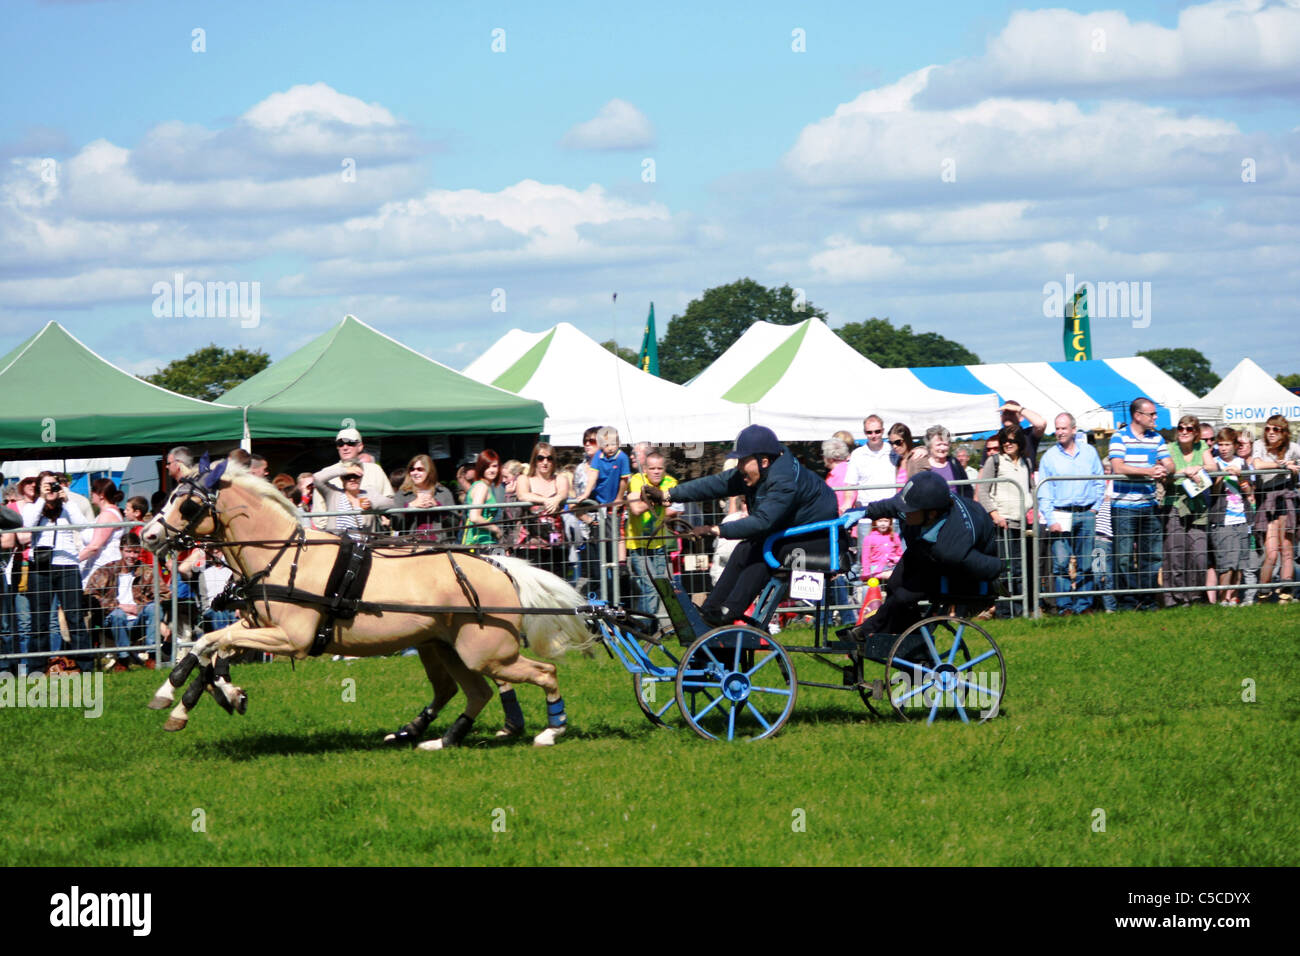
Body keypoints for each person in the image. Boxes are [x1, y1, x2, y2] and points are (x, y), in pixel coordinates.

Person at [641, 425, 838, 627]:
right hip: (796, 534)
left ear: (764, 461)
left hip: (820, 539)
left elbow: (763, 522)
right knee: (747, 548)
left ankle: (727, 613)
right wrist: (669, 495)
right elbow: (715, 484)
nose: (739, 466)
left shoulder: (784, 480)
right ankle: (710, 612)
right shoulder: (760, 470)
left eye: (743, 461)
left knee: (764, 550)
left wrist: (715, 530)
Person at [848, 471, 1001, 641]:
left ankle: (868, 631)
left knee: (903, 597)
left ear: (932, 514)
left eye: (909, 511)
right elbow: (892, 506)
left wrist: (997, 573)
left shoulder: (951, 549)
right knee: (893, 585)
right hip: (925, 550)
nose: (904, 513)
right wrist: (864, 512)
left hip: (956, 571)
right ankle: (913, 641)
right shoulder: (922, 506)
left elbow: (988, 565)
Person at [19, 472, 94, 674]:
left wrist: (67, 500)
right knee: (40, 620)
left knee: (75, 618)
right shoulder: (33, 508)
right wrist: (42, 499)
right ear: (38, 488)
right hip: (40, 568)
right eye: (46, 485)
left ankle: (86, 668)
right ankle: (36, 668)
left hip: (67, 565)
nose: (51, 488)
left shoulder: (67, 508)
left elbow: (84, 527)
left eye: (54, 484)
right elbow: (28, 525)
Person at [1108, 398, 1174, 611]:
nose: (1155, 418)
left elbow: (1169, 463)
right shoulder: (1119, 437)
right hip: (1124, 506)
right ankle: (1127, 602)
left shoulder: (1157, 438)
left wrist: (1166, 470)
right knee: (1124, 558)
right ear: (1137, 416)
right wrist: (1149, 471)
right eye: (1151, 414)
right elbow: (1118, 467)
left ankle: (1147, 601)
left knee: (1151, 556)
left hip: (1149, 504)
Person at [1036, 413, 1105, 616]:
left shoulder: (1090, 453)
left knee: (1085, 563)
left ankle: (1084, 605)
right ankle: (1064, 607)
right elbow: (1044, 491)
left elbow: (1099, 481)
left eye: (1063, 428)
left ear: (1074, 430)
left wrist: (1095, 508)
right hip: (1061, 514)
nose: (1059, 432)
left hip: (1086, 513)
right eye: (1057, 428)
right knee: (1060, 564)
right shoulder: (1049, 457)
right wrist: (1050, 518)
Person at [976, 426, 1034, 617]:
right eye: (1005, 441)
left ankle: (1019, 609)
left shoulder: (1026, 462)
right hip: (1001, 523)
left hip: (1021, 523)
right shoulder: (995, 461)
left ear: (1020, 442)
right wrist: (995, 515)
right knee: (1003, 570)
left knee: (1019, 569)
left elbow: (1031, 489)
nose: (1008, 444)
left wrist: (1032, 509)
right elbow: (983, 491)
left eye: (1012, 440)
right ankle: (1004, 610)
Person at [85, 531, 163, 670]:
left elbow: (164, 594)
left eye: (135, 552)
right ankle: (124, 658)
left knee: (154, 608)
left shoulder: (146, 571)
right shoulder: (106, 571)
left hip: (138, 622)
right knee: (117, 614)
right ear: (121, 550)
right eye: (128, 551)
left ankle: (152, 655)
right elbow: (90, 595)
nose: (132, 556)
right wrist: (119, 606)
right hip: (113, 621)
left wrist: (140, 608)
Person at [1162, 414, 1217, 607]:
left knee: (1199, 554)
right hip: (1175, 505)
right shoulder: (1169, 449)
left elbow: (1213, 466)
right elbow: (1164, 471)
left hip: (1197, 506)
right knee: (1176, 554)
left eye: (1189, 429)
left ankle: (1195, 596)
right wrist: (1181, 472)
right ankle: (1176, 598)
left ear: (1196, 433)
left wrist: (1197, 467)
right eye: (1181, 428)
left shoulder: (1201, 447)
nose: (1184, 432)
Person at [624, 449, 681, 617]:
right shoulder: (636, 480)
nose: (656, 472)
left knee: (658, 586)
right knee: (649, 586)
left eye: (660, 468)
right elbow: (635, 508)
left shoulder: (671, 482)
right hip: (638, 544)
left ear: (664, 469)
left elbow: (675, 507)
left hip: (659, 544)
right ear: (645, 469)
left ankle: (647, 624)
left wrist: (650, 498)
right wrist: (659, 499)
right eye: (652, 468)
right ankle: (647, 627)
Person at [1252, 415, 1299, 601]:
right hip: (1266, 497)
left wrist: (1295, 466)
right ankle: (1263, 592)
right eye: (1268, 429)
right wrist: (1283, 465)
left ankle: (1286, 592)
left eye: (1276, 429)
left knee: (1286, 548)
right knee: (1271, 552)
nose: (1271, 433)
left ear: (1284, 432)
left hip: (1286, 496)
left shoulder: (1293, 448)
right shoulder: (1259, 445)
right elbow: (1256, 464)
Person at [313, 427, 394, 525]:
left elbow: (390, 500)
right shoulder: (328, 472)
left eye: (350, 443)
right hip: (337, 536)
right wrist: (345, 470)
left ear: (360, 446)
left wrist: (372, 505)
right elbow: (319, 513)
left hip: (366, 534)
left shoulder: (375, 470)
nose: (345, 447)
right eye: (340, 444)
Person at [1209, 427, 1251, 606]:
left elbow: (1249, 491)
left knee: (1240, 562)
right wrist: (1221, 476)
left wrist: (1241, 477)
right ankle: (1222, 599)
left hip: (1241, 517)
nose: (1224, 448)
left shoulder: (1242, 462)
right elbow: (1213, 492)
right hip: (1222, 519)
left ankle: (1233, 596)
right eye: (1221, 444)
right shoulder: (1214, 462)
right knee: (1227, 563)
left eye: (1227, 444)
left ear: (1235, 445)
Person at [515, 442, 572, 575]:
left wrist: (557, 499)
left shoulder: (560, 479)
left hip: (555, 543)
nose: (545, 462)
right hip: (530, 544)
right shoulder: (525, 479)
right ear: (534, 460)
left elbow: (563, 492)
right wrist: (546, 500)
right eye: (540, 458)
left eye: (549, 458)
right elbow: (522, 495)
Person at [390, 454, 456, 542]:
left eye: (420, 469)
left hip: (440, 544)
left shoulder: (443, 492)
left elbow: (455, 523)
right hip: (411, 545)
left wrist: (438, 507)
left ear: (429, 471)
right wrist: (409, 507)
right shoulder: (402, 494)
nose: (415, 473)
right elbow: (395, 525)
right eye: (412, 469)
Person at [312, 462, 393, 533]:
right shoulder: (333, 493)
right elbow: (316, 478)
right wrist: (345, 470)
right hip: (338, 545)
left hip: (362, 546)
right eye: (348, 476)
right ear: (342, 479)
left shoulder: (369, 494)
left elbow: (392, 503)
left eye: (356, 476)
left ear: (361, 477)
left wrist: (372, 505)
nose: (352, 479)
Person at [77, 477, 126, 587]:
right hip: (100, 568)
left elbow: (94, 546)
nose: (91, 493)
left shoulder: (107, 515)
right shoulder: (108, 513)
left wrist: (72, 561)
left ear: (101, 494)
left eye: (93, 490)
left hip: (103, 570)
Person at [907, 425, 975, 499]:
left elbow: (967, 488)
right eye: (938, 444)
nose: (942, 448)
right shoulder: (922, 464)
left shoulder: (954, 462)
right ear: (930, 446)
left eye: (945, 444)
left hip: (955, 508)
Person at [461, 451, 504, 549]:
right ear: (481, 468)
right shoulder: (481, 487)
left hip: (484, 542)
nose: (492, 470)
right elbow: (474, 517)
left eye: (494, 466)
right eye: (487, 467)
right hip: (479, 544)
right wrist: (495, 528)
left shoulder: (483, 486)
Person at [998, 400, 1047, 465]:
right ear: (1001, 417)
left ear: (1021, 418)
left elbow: (1041, 423)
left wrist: (1018, 409)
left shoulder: (1028, 435)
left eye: (1012, 413)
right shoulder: (996, 438)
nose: (1008, 416)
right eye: (1005, 413)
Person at [861, 515, 903, 582]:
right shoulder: (869, 538)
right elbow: (865, 558)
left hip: (891, 566)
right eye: (880, 521)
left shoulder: (894, 536)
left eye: (886, 521)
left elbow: (900, 553)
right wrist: (866, 574)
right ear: (875, 522)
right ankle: (876, 576)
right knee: (892, 575)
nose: (883, 524)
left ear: (890, 522)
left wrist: (895, 558)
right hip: (876, 568)